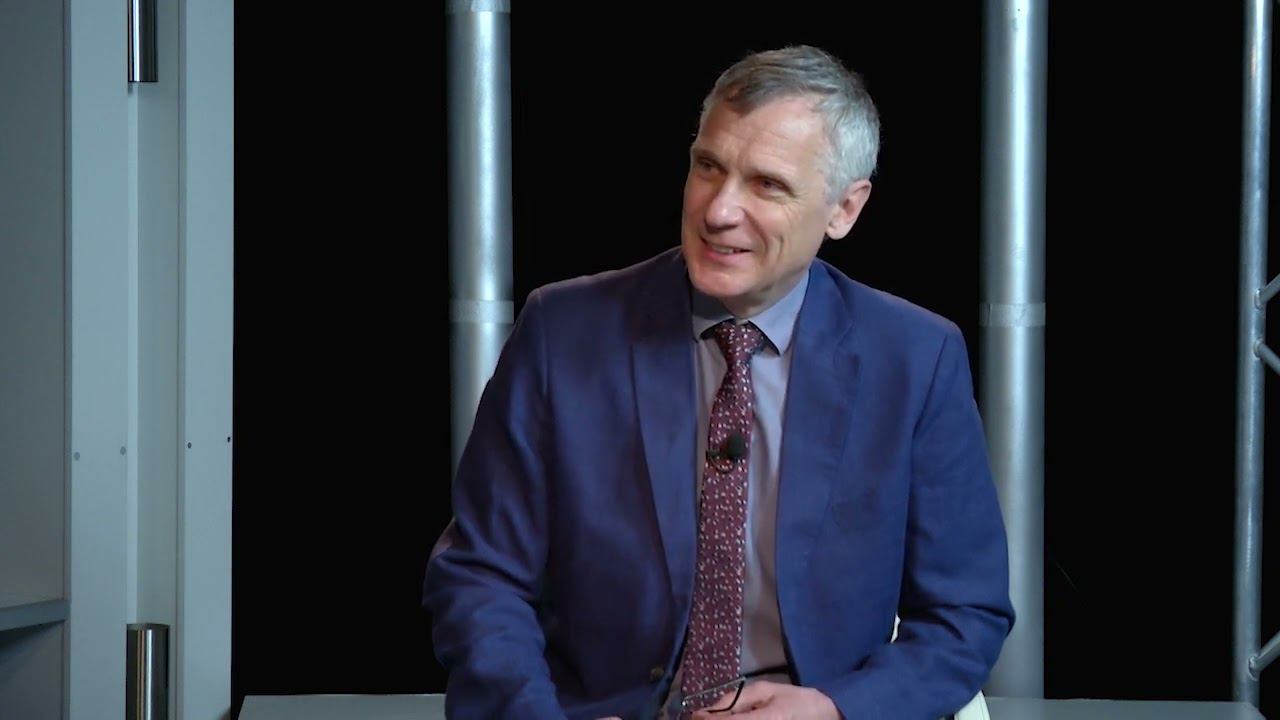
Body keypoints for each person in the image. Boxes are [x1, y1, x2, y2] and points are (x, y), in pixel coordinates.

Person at [425, 45, 1014, 720]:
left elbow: (965, 613)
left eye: (767, 185)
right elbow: (481, 577)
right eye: (709, 166)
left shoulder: (914, 358)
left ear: (844, 210)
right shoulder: (562, 332)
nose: (719, 210)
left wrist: (835, 708)